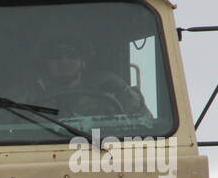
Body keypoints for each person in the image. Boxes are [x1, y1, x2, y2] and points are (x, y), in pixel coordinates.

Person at [9, 32, 148, 116]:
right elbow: (4, 125)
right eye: (55, 55)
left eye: (71, 54)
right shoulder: (27, 94)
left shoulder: (107, 92)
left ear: (83, 61)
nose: (63, 61)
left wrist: (123, 90)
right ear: (45, 63)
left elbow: (144, 123)